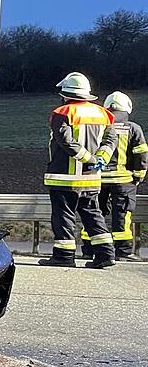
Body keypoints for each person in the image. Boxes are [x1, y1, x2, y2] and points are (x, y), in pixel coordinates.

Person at [39, 72, 118, 269]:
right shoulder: (103, 113)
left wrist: (88, 159)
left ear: (65, 94)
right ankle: (105, 254)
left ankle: (64, 256)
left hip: (64, 177)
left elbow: (65, 141)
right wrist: (100, 159)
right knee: (93, 214)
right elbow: (111, 140)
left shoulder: (62, 113)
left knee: (64, 215)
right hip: (91, 178)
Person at [91, 92, 146, 262]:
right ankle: (122, 251)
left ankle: (89, 248)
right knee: (122, 215)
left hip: (97, 179)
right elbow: (141, 154)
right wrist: (139, 175)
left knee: (94, 213)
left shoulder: (98, 125)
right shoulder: (133, 128)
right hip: (124, 181)